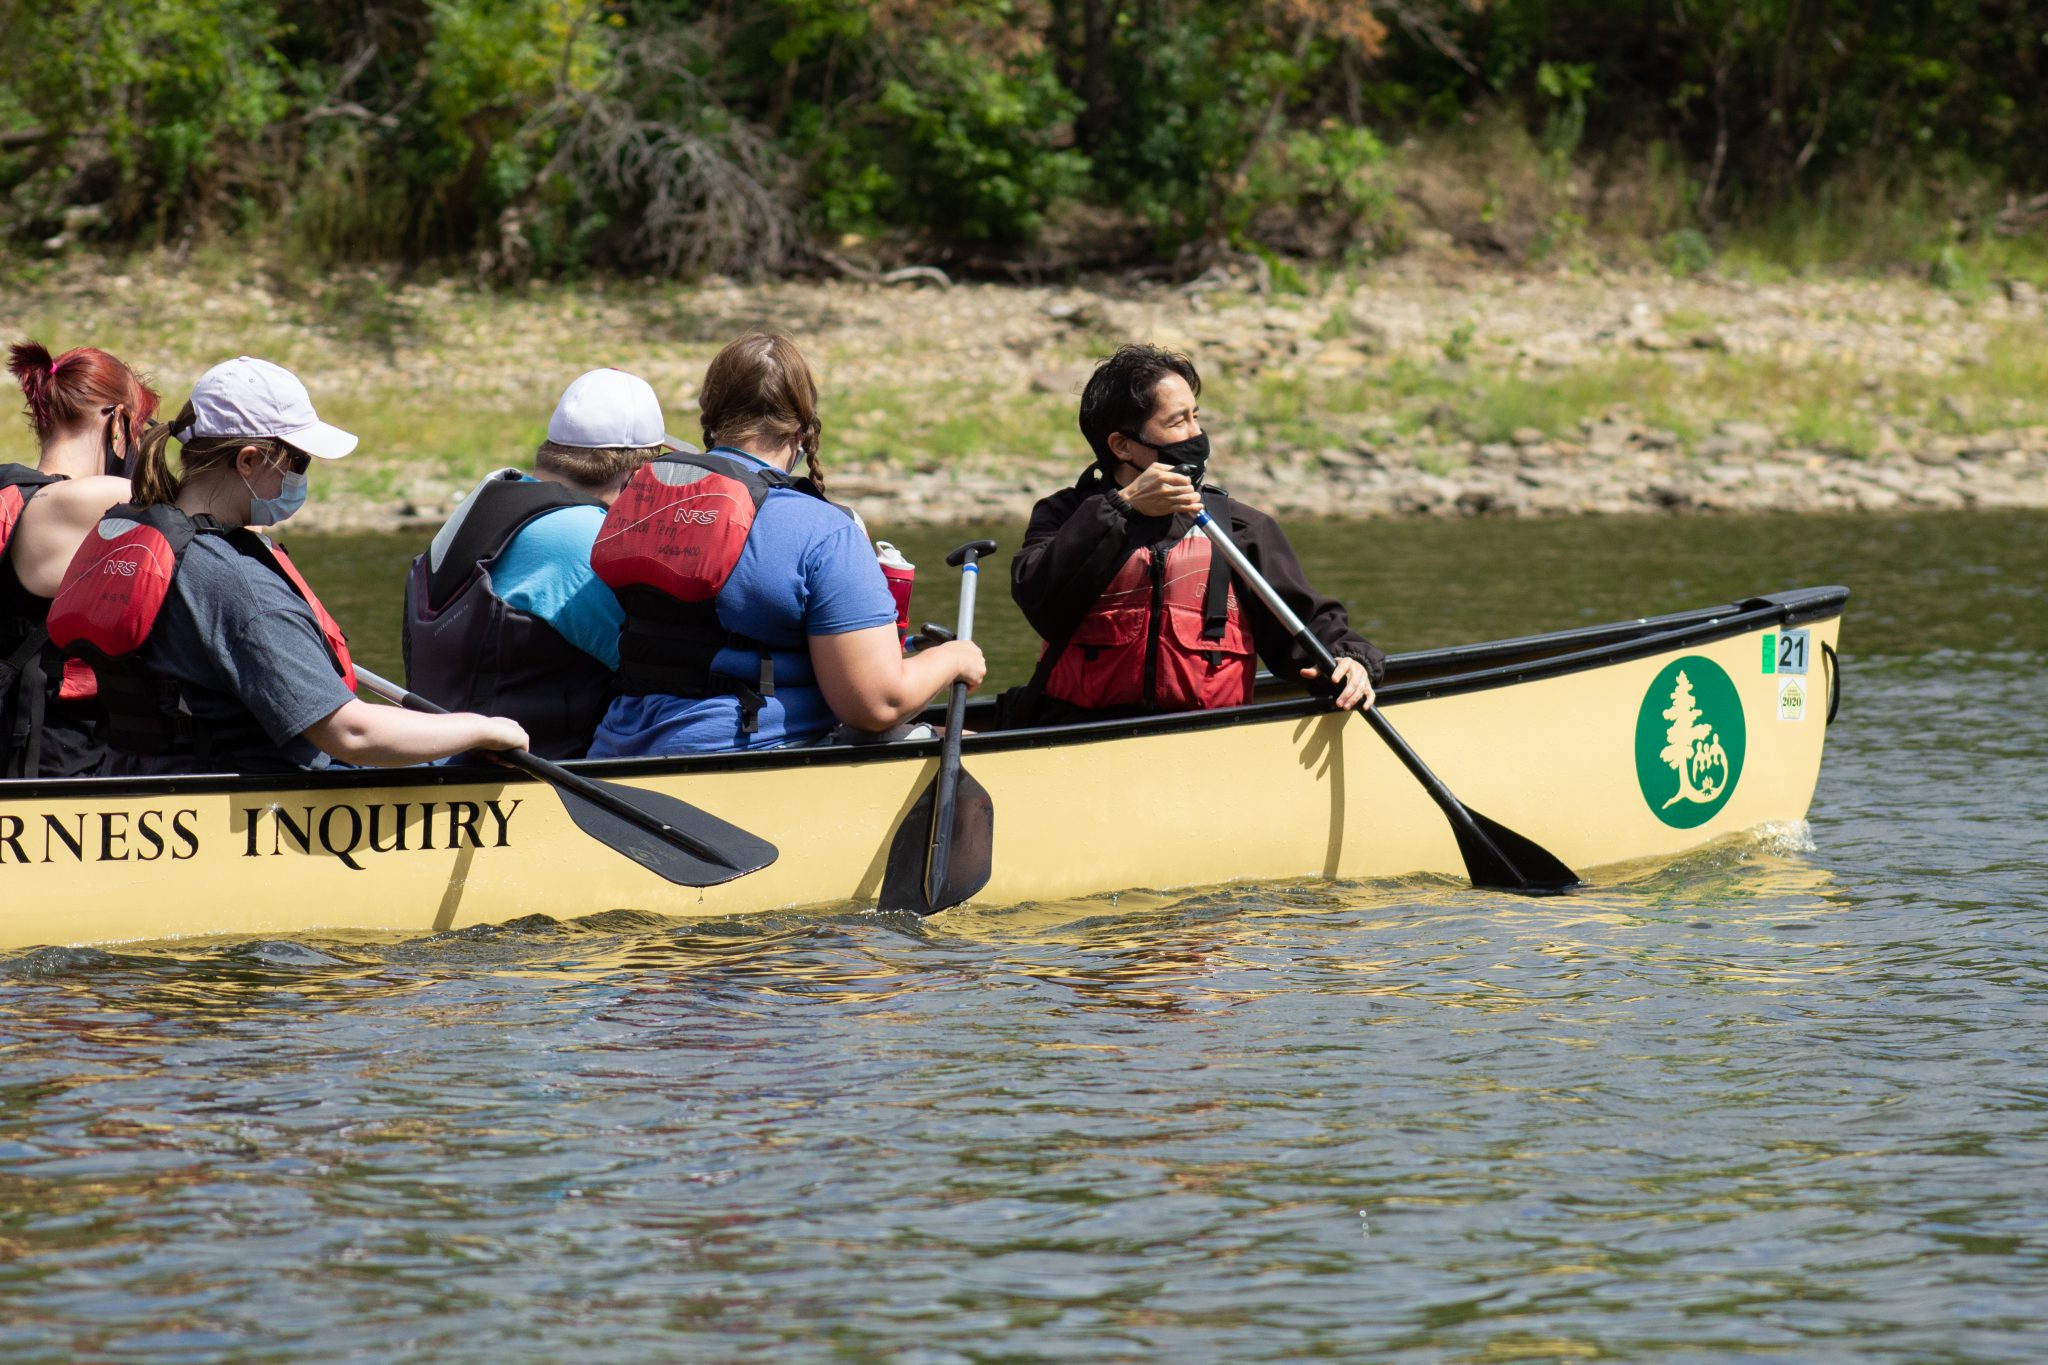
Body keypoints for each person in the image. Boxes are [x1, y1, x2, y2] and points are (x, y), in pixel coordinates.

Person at [45, 356, 528, 775]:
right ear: (250, 461)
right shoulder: (235, 581)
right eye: (299, 461)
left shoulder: (129, 531)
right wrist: (485, 729)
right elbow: (351, 733)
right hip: (240, 804)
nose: (302, 476)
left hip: (136, 774)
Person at [586, 332, 985, 755]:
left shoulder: (641, 500)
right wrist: (954, 658)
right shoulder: (824, 529)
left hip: (615, 751)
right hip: (742, 762)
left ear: (711, 415)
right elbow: (877, 703)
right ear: (803, 428)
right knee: (972, 749)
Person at [1010, 343, 1384, 725]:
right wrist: (1121, 510)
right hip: (1078, 735)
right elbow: (1041, 604)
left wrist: (1351, 660)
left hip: (1208, 740)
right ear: (1122, 446)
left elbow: (1308, 630)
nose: (1197, 435)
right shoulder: (1064, 517)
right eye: (1177, 423)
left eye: (1196, 417)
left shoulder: (1240, 528)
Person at [405, 368, 674, 759]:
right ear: (637, 479)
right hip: (511, 785)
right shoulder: (584, 539)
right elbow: (660, 663)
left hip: (428, 760)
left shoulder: (485, 506)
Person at [1, 341, 160, 777]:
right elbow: (203, 516)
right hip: (53, 753)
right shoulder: (103, 498)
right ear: (117, 423)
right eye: (142, 425)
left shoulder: (12, 493)